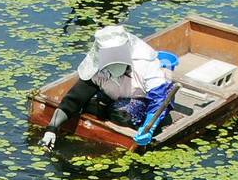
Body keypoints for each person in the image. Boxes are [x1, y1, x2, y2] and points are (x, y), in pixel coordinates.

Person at [40, 25, 178, 149]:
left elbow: (160, 98)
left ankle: (132, 125)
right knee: (89, 105)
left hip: (141, 99)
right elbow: (74, 99)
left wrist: (149, 127)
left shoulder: (145, 64)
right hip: (112, 95)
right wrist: (51, 129)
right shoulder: (96, 68)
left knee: (121, 113)